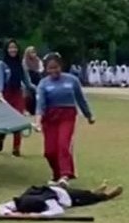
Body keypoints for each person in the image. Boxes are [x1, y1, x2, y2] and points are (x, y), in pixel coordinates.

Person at [34, 53, 94, 187]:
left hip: (67, 116)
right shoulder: (43, 84)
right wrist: (38, 122)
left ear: (61, 66)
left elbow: (81, 99)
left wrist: (89, 115)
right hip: (50, 118)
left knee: (63, 145)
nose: (54, 71)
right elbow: (40, 105)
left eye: (56, 67)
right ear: (46, 69)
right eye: (50, 68)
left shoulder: (72, 80)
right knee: (49, 151)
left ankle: (65, 175)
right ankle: (57, 174)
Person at [0, 40, 35, 157]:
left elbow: (27, 81)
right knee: (5, 120)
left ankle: (16, 148)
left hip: (18, 94)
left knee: (18, 120)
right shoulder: (2, 64)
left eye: (15, 48)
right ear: (6, 50)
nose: (13, 50)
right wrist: (0, 92)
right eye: (10, 48)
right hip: (6, 94)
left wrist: (38, 89)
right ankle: (1, 137)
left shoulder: (21, 64)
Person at [0, 182, 122, 217]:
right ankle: (99, 193)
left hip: (64, 195)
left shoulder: (46, 201)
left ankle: (103, 195)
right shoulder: (19, 203)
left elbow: (57, 210)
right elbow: (0, 207)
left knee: (89, 197)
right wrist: (10, 213)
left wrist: (34, 215)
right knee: (85, 195)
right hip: (59, 193)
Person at [23, 47, 44, 115]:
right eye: (31, 52)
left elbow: (41, 68)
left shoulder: (38, 60)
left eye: (34, 52)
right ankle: (28, 110)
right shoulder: (25, 61)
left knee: (37, 94)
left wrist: (39, 70)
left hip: (37, 77)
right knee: (29, 94)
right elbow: (25, 71)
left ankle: (37, 109)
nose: (33, 54)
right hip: (28, 77)